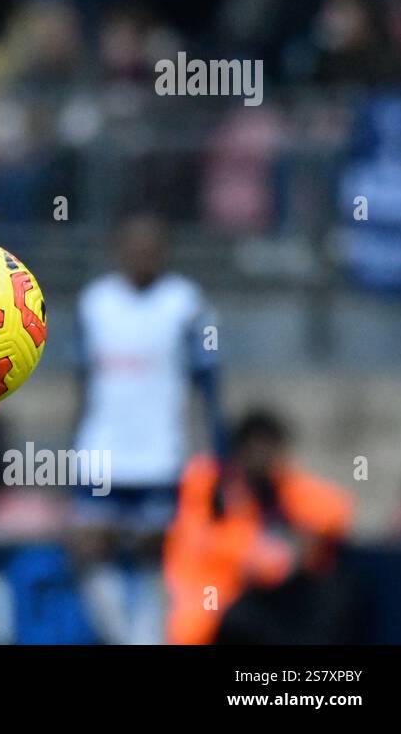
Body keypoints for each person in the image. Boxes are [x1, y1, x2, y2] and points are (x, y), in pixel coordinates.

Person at [67, 212, 225, 644]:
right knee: (87, 549)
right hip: (101, 451)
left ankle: (148, 638)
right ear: (119, 251)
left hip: (161, 455)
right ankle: (124, 638)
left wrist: (215, 461)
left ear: (164, 252)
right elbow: (82, 386)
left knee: (155, 556)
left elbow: (208, 389)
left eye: (150, 248)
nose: (142, 256)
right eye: (133, 247)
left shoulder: (187, 303)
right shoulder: (95, 302)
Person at [164, 409, 356, 644]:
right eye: (258, 449)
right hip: (210, 596)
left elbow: (335, 507)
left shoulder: (279, 486)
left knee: (335, 592)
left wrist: (304, 537)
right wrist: (258, 551)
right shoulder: (208, 480)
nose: (264, 458)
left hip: (262, 596)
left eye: (271, 450)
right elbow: (199, 540)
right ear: (240, 450)